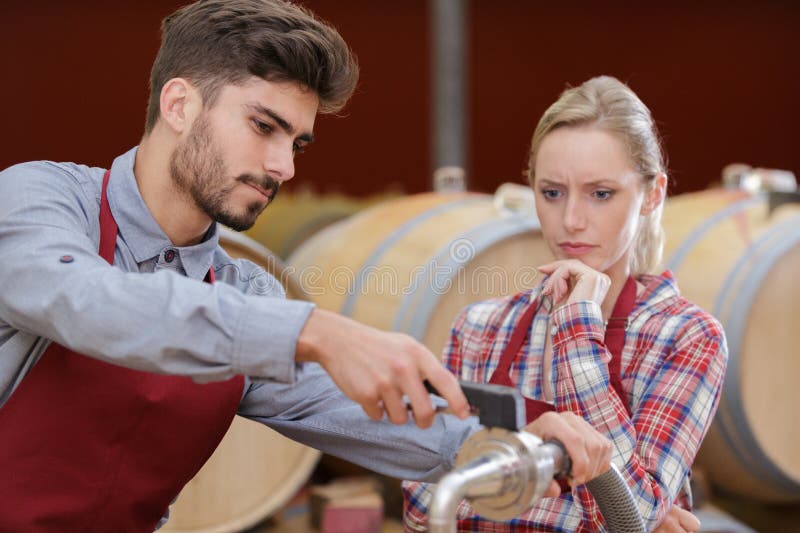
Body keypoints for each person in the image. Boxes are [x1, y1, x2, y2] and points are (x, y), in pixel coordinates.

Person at [0, 2, 622, 531]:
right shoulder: (40, 201)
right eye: (263, 126)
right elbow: (89, 303)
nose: (284, 168)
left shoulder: (246, 290)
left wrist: (525, 428)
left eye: (295, 142)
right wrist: (314, 332)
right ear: (180, 104)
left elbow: (385, 416)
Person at [402, 76, 728, 532]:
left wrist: (577, 326)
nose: (571, 221)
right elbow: (422, 509)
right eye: (552, 192)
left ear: (652, 195)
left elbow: (627, 516)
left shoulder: (686, 338)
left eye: (601, 194)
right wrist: (602, 513)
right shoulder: (479, 328)